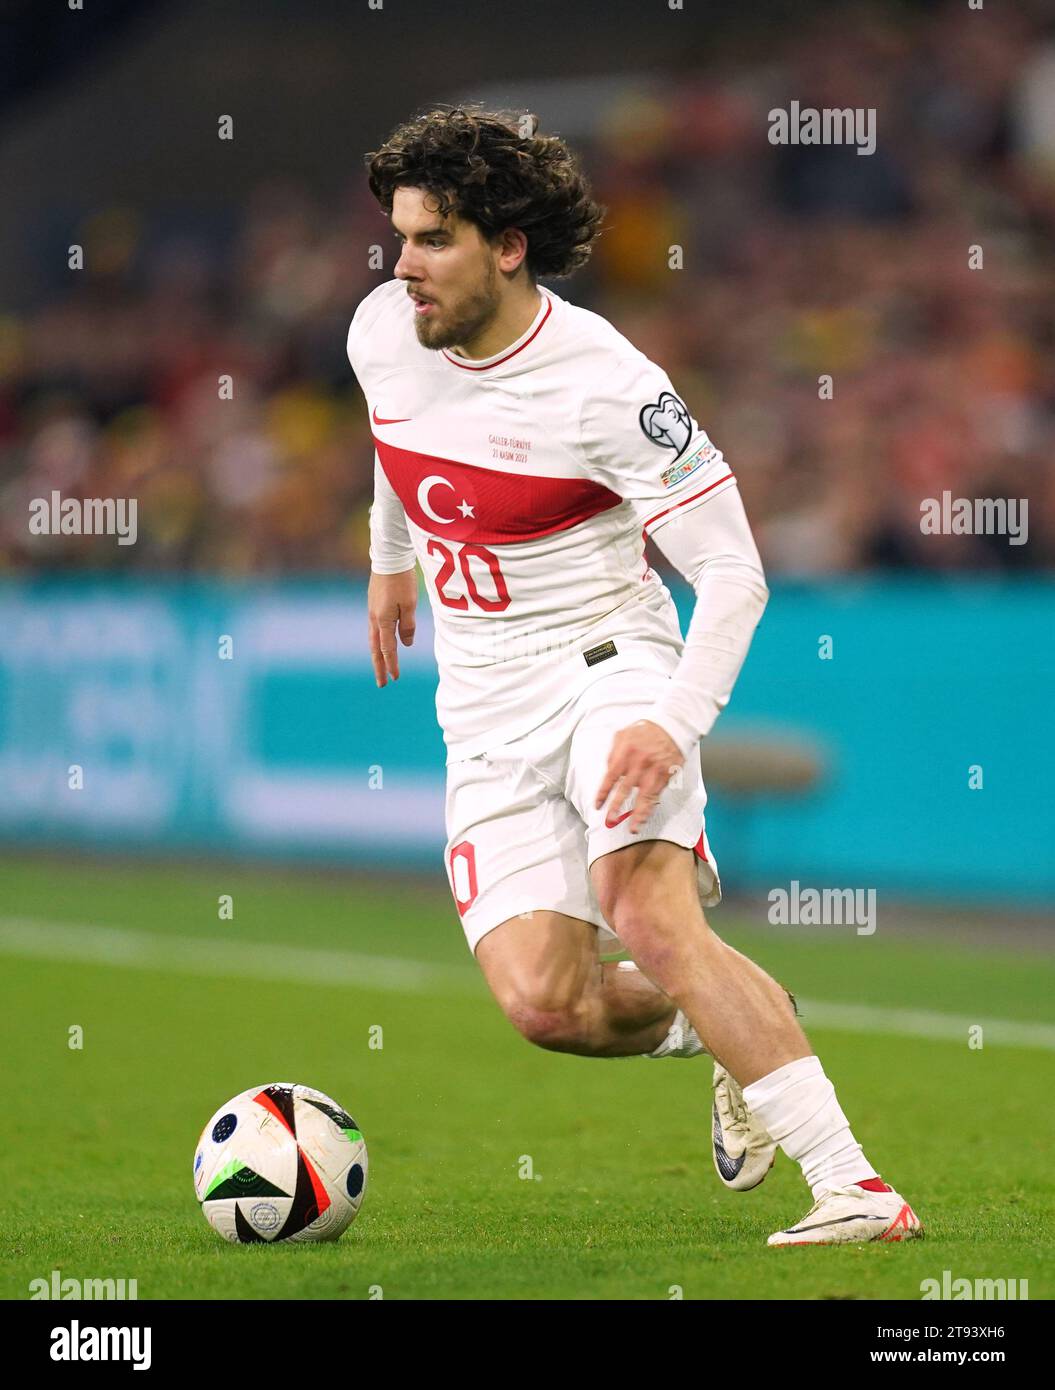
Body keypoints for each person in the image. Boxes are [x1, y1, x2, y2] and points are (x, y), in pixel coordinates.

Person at [349, 105, 921, 1246]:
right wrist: (388, 561)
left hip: (607, 663)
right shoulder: (382, 328)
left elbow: (734, 571)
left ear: (508, 245)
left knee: (643, 912)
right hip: (483, 705)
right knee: (544, 1004)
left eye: (433, 240)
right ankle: (732, 1019)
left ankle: (854, 1184)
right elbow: (391, 435)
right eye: (400, 238)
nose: (403, 266)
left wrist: (671, 719)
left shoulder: (604, 382)